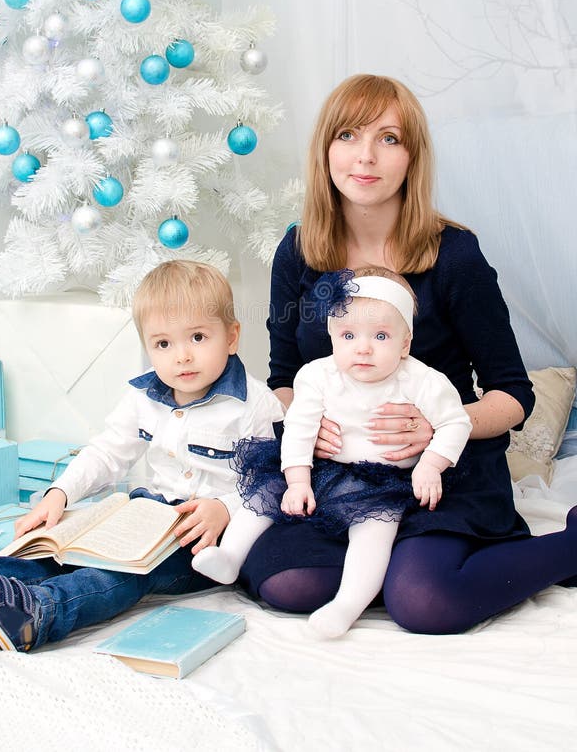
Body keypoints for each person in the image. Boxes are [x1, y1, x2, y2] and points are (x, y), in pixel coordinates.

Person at [238, 73, 577, 635]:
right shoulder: (298, 252)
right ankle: (385, 559)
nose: (365, 156)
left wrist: (439, 428)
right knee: (287, 584)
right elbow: (283, 377)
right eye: (348, 135)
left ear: (412, 157)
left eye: (389, 139)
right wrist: (305, 417)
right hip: (340, 470)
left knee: (425, 602)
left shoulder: (455, 256)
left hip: (440, 467)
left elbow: (513, 395)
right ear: (325, 148)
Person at [0, 260, 284, 652]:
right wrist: (60, 493)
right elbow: (107, 452)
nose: (182, 357)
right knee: (67, 548)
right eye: (163, 344)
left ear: (232, 336)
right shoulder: (144, 397)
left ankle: (38, 613)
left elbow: (272, 480)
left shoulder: (255, 404)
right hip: (149, 514)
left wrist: (224, 508)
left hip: (206, 539)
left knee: (121, 573)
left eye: (198, 337)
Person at [193, 266, 472, 637]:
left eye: (382, 335)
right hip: (322, 468)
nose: (363, 347)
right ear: (332, 336)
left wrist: (430, 466)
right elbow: (299, 430)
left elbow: (457, 423)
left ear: (405, 343)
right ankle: (230, 556)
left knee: (374, 531)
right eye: (349, 334)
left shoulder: (422, 381)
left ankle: (347, 605)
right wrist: (297, 480)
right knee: (261, 493)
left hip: (382, 481)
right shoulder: (317, 376)